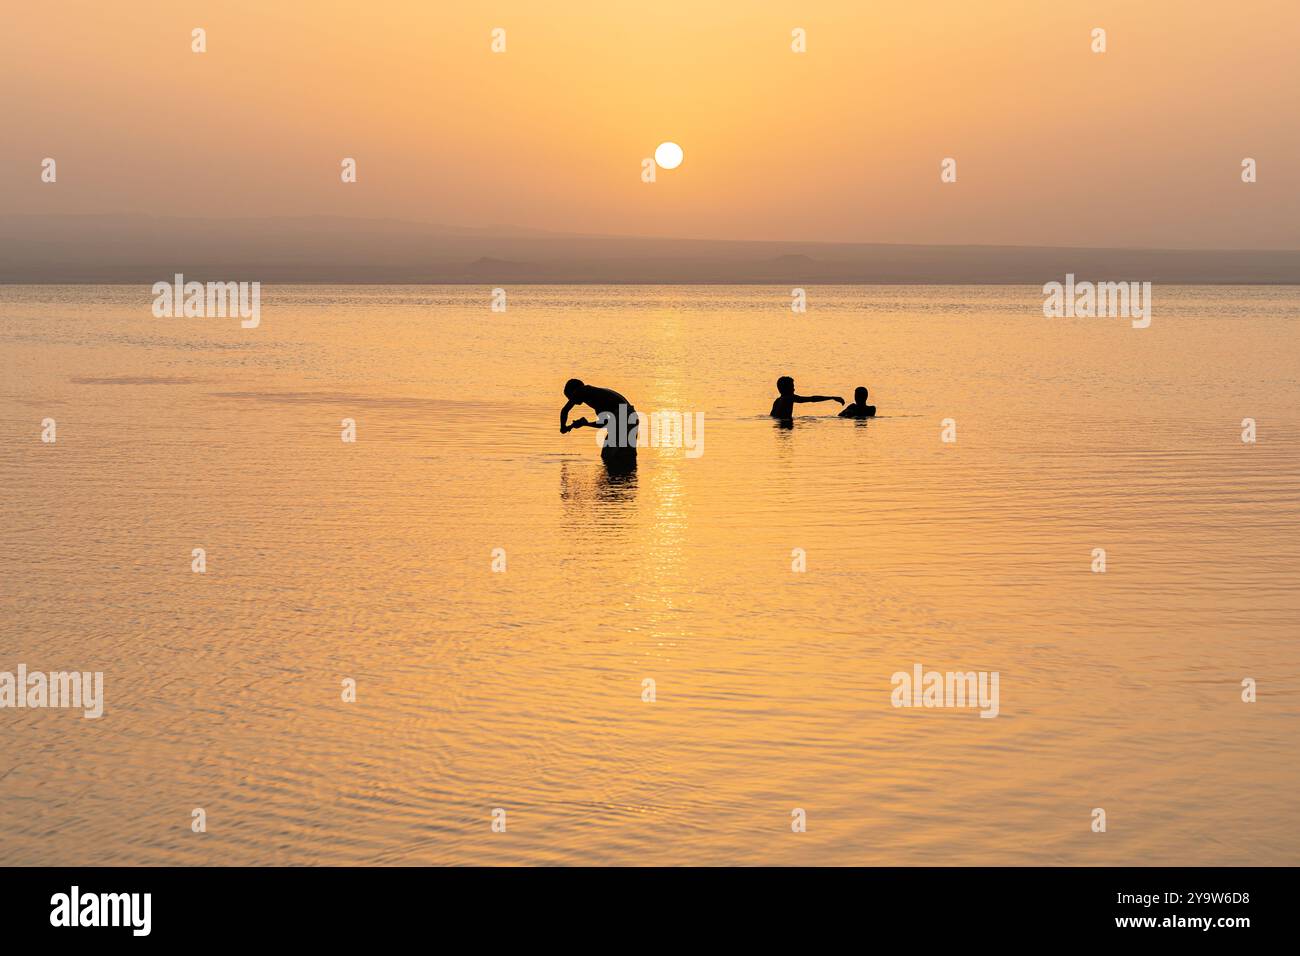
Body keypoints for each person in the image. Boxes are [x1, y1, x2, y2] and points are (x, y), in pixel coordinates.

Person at [560, 378, 638, 472]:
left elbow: (565, 410)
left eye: (569, 396)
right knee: (626, 455)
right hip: (631, 417)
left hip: (622, 417)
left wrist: (563, 427)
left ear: (574, 391)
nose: (571, 400)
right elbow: (604, 423)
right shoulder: (597, 398)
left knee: (607, 455)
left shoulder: (582, 390)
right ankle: (624, 484)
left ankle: (615, 481)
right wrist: (585, 423)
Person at [769, 375, 843, 419]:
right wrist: (832, 397)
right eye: (792, 387)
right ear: (786, 388)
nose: (794, 389)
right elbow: (812, 399)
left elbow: (772, 417)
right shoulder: (789, 398)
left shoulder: (777, 401)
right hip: (785, 423)